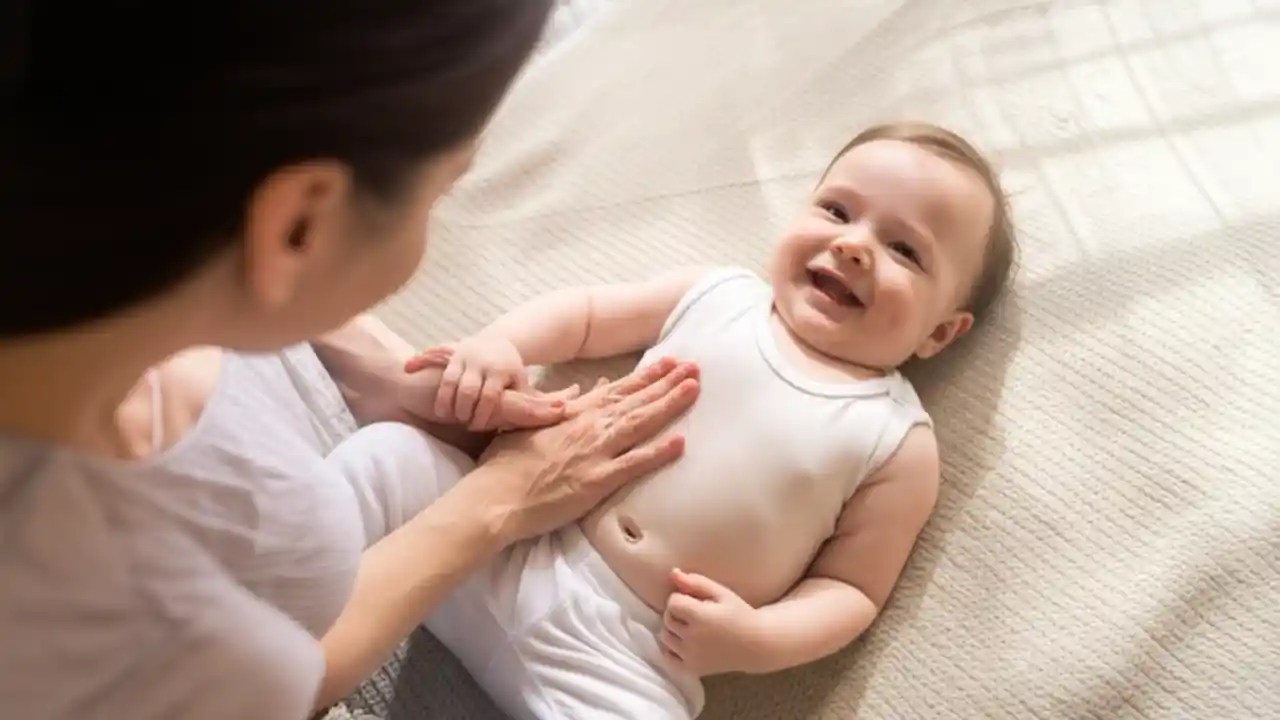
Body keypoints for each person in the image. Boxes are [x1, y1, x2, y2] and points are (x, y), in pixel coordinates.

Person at [0, 2, 701, 718]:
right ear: (300, 223)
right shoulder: (143, 631)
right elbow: (296, 681)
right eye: (442, 191)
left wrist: (376, 366)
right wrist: (503, 499)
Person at [332, 122, 1016, 719]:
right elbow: (587, 316)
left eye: (905, 251)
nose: (854, 246)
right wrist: (502, 346)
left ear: (941, 334)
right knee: (388, 458)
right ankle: (275, 597)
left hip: (626, 652)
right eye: (837, 210)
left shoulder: (895, 441)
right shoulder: (720, 296)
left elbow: (851, 590)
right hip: (507, 544)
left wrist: (756, 640)